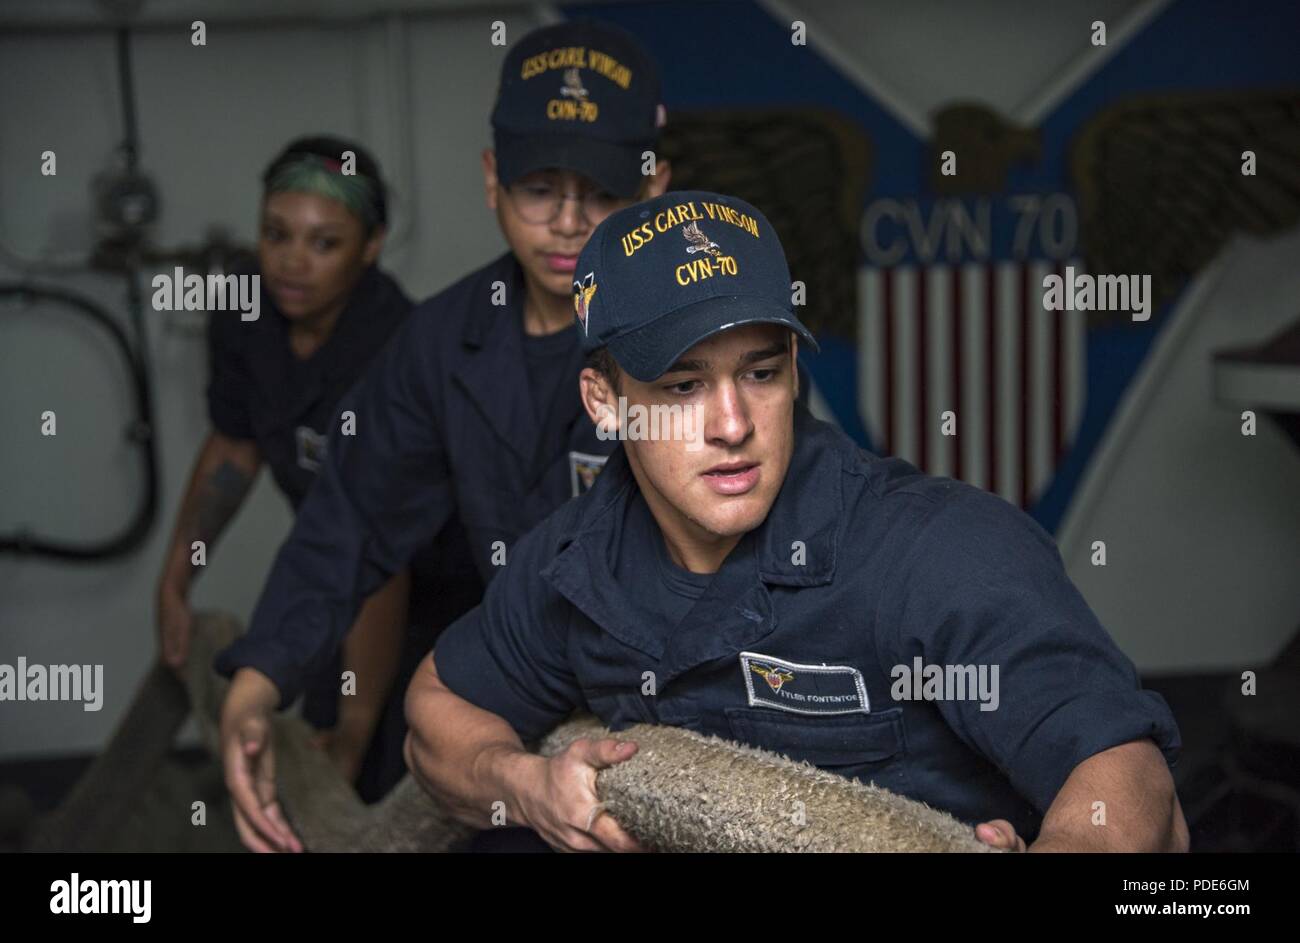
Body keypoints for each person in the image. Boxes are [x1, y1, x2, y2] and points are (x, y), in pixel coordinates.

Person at [404, 190, 1189, 853]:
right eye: (682, 386)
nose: (732, 421)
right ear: (604, 402)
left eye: (761, 372)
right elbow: (436, 711)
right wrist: (525, 784)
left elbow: (1124, 769)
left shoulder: (938, 549)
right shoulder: (574, 567)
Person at [214, 21, 673, 853]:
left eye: (600, 192)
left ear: (652, 190)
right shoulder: (443, 340)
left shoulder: (698, 339)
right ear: (493, 177)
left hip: (674, 725)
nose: (568, 223)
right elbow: (351, 514)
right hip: (506, 721)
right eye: (539, 187)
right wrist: (258, 678)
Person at [154, 136, 480, 842]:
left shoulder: (398, 343)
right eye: (276, 233)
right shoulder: (246, 310)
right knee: (314, 751)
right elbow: (236, 445)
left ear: (370, 247)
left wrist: (357, 727)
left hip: (440, 594)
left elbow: (378, 549)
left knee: (396, 780)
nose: (291, 261)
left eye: (323, 242)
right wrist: (176, 581)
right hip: (334, 585)